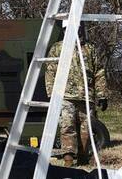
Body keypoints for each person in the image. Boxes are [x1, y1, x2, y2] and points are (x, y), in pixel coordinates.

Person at [44, 37, 109, 165]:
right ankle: (68, 158)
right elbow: (50, 71)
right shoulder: (57, 48)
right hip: (65, 95)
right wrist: (52, 94)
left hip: (86, 96)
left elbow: (99, 72)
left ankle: (83, 157)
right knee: (67, 126)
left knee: (87, 128)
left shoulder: (90, 48)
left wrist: (102, 95)